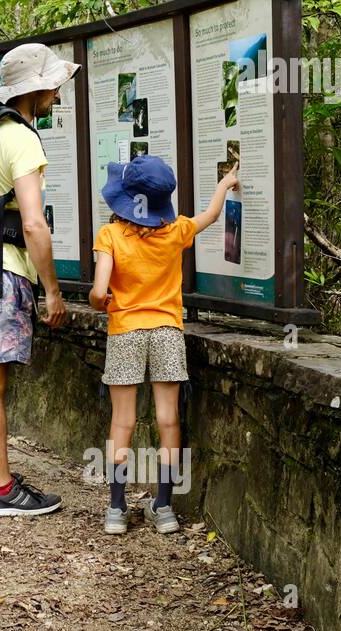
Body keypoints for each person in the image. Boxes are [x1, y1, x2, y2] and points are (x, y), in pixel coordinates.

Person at [0, 43, 77, 517]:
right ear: (36, 88)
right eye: (54, 86)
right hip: (2, 271)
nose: (58, 97)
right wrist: (53, 290)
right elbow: (33, 225)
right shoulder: (21, 138)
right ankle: (3, 491)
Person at [89, 154, 240, 534]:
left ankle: (116, 509)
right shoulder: (176, 231)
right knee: (168, 419)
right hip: (167, 332)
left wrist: (103, 301)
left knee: (122, 421)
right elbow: (209, 215)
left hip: (125, 331)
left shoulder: (110, 236)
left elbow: (98, 291)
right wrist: (224, 184)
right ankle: (164, 507)